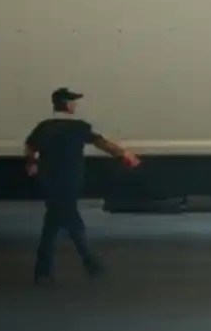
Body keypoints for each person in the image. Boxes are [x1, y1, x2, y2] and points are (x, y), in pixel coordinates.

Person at [25, 87, 140, 285]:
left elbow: (30, 147)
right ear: (68, 105)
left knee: (56, 222)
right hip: (70, 179)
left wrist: (32, 164)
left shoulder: (44, 127)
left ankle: (48, 269)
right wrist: (123, 154)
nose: (75, 105)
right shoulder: (78, 127)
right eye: (73, 101)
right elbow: (101, 143)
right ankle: (87, 262)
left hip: (50, 179)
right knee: (66, 222)